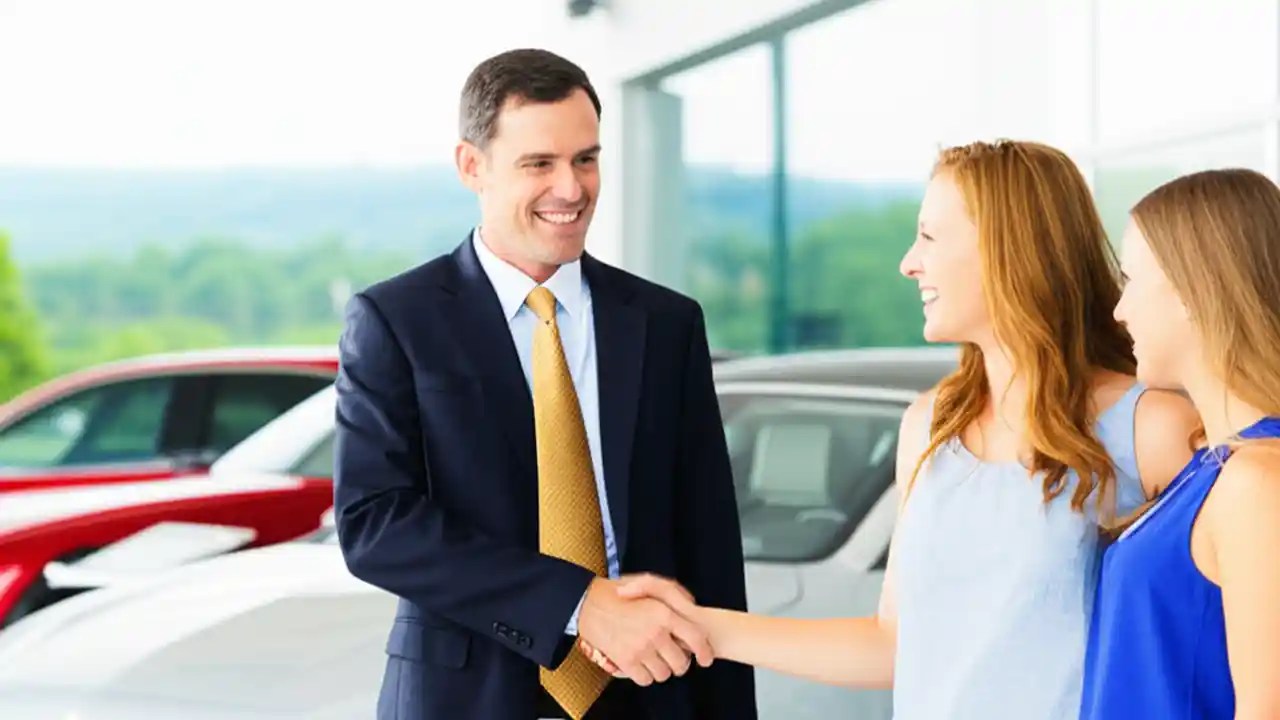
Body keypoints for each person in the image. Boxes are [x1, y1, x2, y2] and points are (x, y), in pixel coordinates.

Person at [581, 139, 1200, 719]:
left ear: (1007, 247)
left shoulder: (1153, 428)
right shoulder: (929, 426)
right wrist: (696, 625)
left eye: (929, 236)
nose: (909, 263)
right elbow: (892, 643)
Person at [332, 48, 756, 720]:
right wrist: (578, 605)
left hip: (653, 694)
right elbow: (375, 522)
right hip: (465, 697)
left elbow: (709, 543)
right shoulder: (396, 320)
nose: (572, 188)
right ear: (473, 166)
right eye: (539, 164)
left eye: (586, 159)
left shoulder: (667, 323)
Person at [1079, 168, 1280, 719]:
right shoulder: (1214, 468)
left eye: (1130, 281)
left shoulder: (1258, 481)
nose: (1119, 311)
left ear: (1195, 290)